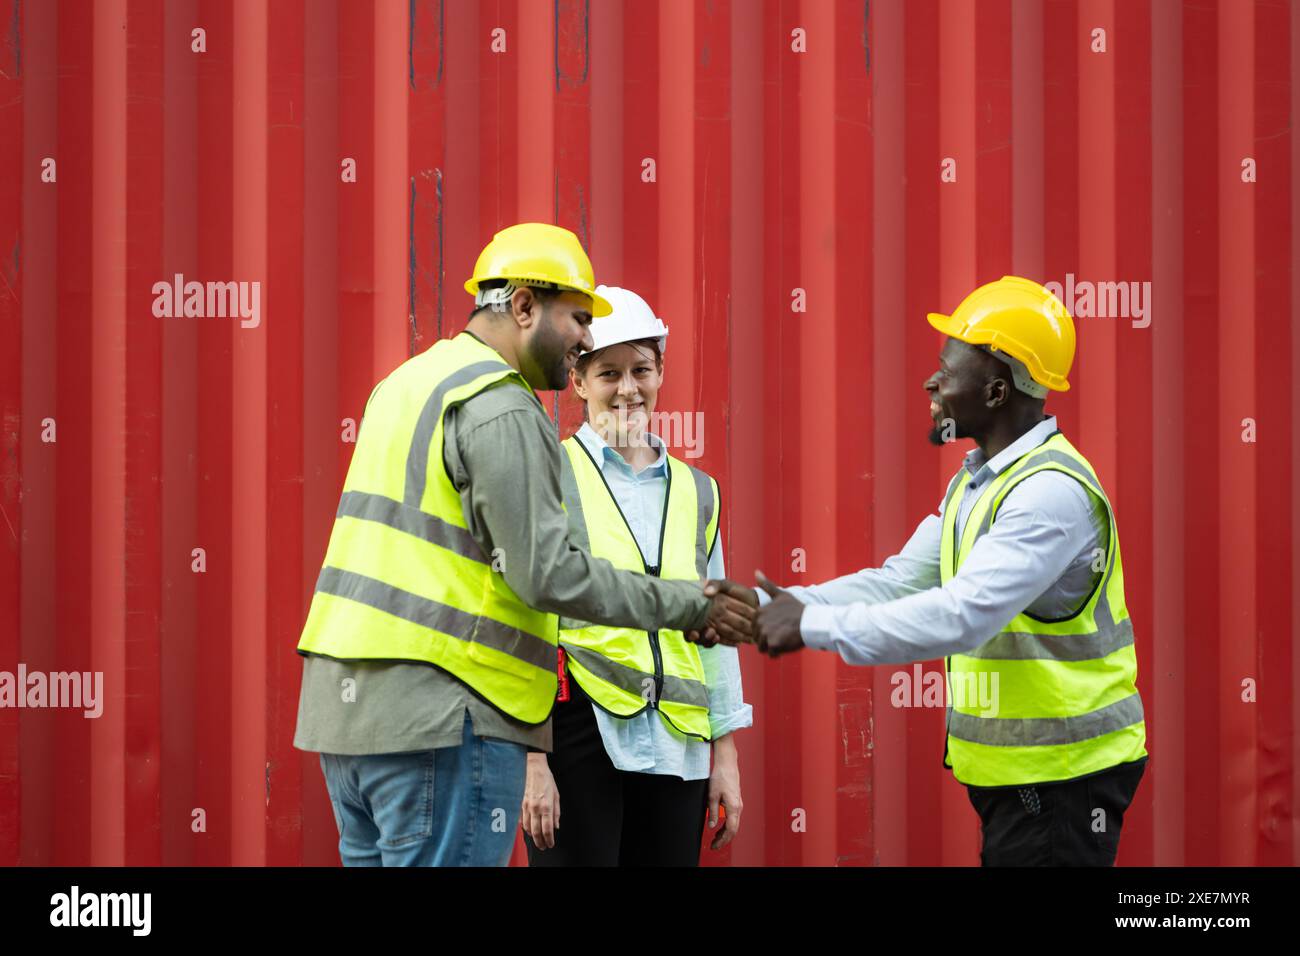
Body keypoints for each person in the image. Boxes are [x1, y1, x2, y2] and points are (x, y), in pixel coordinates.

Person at [292, 223, 754, 867]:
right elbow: (547, 577)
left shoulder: (405, 384)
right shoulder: (502, 405)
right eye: (577, 320)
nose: (584, 341)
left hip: (350, 717)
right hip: (442, 715)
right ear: (525, 306)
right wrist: (691, 606)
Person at [711, 276, 1147, 866]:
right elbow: (898, 580)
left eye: (949, 366)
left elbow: (962, 615)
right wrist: (770, 608)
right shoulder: (979, 483)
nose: (931, 380)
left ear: (996, 390)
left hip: (1064, 782)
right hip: (1024, 781)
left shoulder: (1048, 494)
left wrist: (806, 627)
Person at [520, 286, 752, 866]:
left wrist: (725, 756)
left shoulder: (700, 493)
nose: (628, 389)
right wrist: (530, 759)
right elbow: (521, 619)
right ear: (577, 381)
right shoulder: (550, 473)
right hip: (579, 732)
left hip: (677, 742)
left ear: (660, 372)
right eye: (608, 373)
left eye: (641, 370)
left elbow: (716, 636)